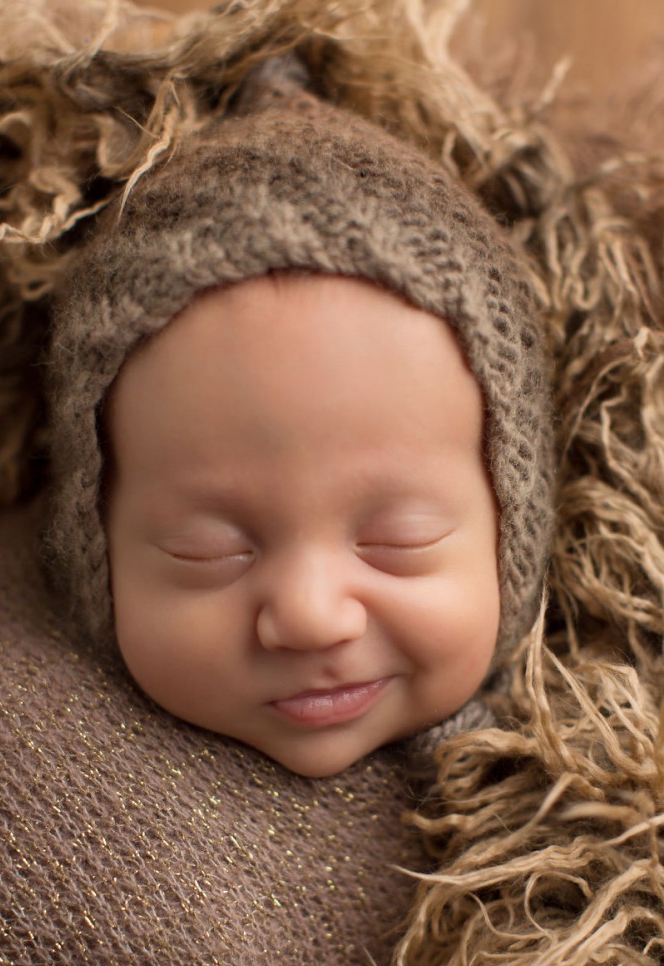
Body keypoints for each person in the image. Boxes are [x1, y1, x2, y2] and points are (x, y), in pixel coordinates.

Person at [44, 54, 555, 778]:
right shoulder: (24, 751)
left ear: (515, 529)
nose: (312, 618)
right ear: (92, 541)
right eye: (209, 551)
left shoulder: (587, 771)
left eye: (397, 541)